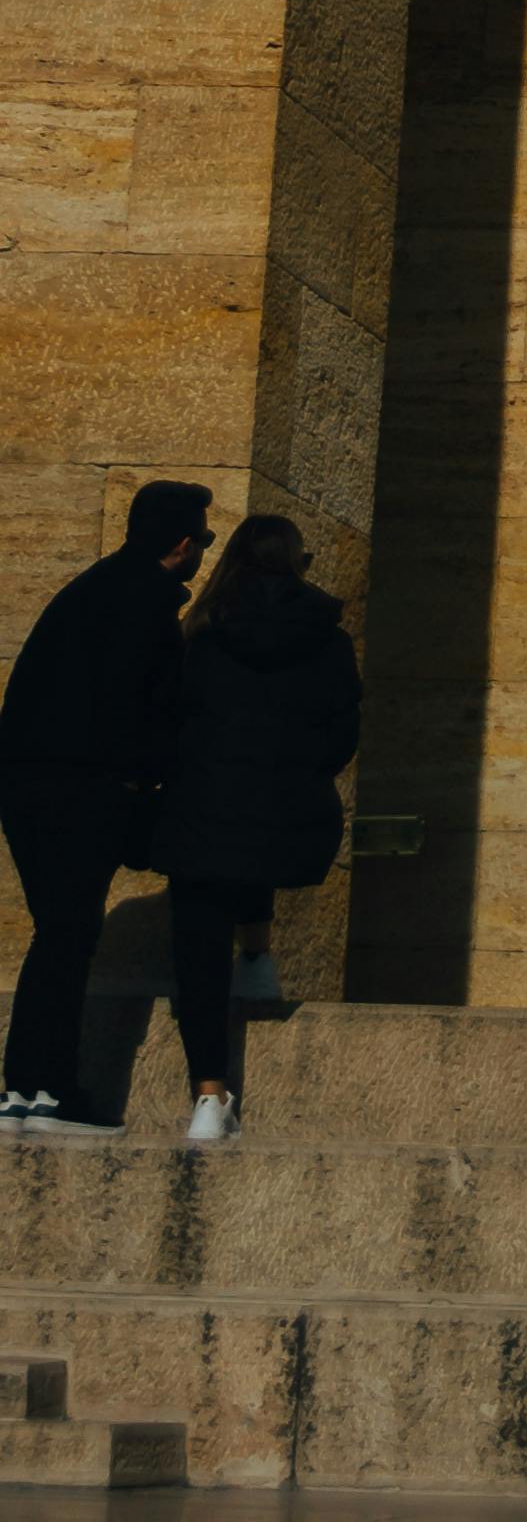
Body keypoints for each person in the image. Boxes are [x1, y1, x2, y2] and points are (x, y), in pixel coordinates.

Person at [0, 479, 213, 1130]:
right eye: (202, 538)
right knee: (67, 935)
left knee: (59, 935)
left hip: (26, 786)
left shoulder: (90, 589)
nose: (203, 550)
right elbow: (136, 712)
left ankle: (26, 1089)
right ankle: (49, 1092)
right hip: (81, 790)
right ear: (182, 544)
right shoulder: (144, 603)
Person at [152, 515, 359, 1148]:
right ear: (296, 561)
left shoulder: (201, 632)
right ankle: (258, 955)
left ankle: (209, 1100)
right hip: (281, 809)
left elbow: (166, 717)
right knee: (250, 853)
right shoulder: (328, 638)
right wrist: (299, 775)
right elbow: (341, 733)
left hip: (203, 804)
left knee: (196, 947)